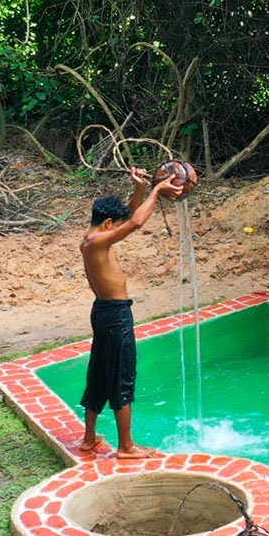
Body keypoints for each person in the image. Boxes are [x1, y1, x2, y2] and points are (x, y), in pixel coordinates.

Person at [77, 168, 185, 459]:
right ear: (107, 223)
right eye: (115, 224)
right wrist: (157, 190)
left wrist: (139, 187)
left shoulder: (94, 236)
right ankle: (126, 447)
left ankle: (89, 438)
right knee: (121, 376)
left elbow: (128, 216)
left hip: (103, 312)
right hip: (115, 316)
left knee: (99, 372)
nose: (118, 227)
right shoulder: (97, 242)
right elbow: (135, 221)